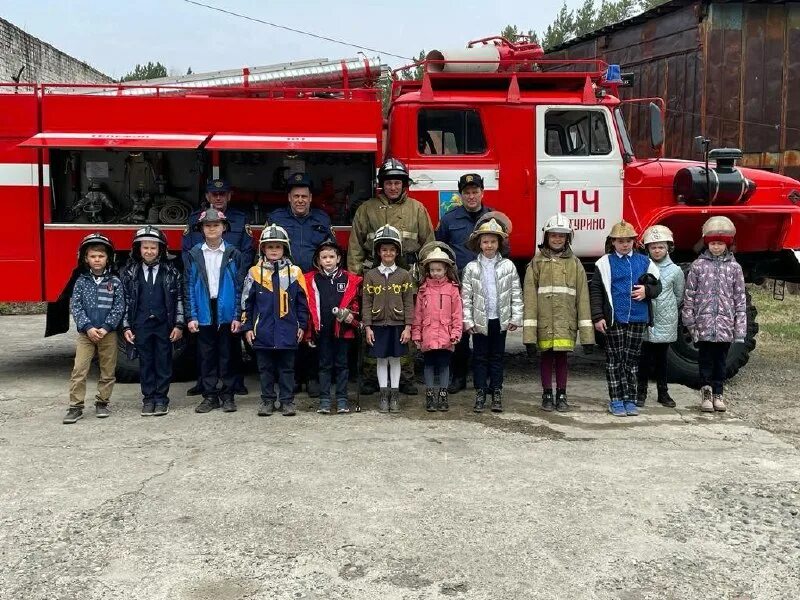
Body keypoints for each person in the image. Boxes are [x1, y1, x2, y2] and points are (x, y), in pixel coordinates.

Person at [348, 157, 434, 395]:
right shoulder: (367, 209)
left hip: (407, 281)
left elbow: (429, 245)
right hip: (374, 281)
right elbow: (355, 247)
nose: (393, 187)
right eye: (388, 183)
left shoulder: (417, 209)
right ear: (381, 184)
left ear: (404, 184)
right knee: (373, 327)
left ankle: (405, 378)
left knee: (404, 327)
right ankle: (369, 377)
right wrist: (355, 281)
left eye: (397, 182)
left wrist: (428, 279)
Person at [183, 178, 253, 398]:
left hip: (229, 289)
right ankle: (205, 385)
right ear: (207, 197)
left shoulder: (241, 220)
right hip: (205, 293)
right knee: (204, 346)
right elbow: (187, 253)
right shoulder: (195, 220)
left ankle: (234, 385)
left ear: (229, 196)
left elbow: (248, 252)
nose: (218, 198)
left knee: (230, 345)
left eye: (222, 194)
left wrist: (240, 279)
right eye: (214, 194)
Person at [266, 172, 334, 397]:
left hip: (315, 283)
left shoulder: (322, 219)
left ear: (311, 198)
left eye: (304, 196)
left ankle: (312, 377)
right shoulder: (276, 218)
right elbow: (265, 249)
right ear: (289, 198)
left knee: (315, 329)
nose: (300, 200)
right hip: (287, 284)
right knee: (289, 329)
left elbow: (330, 250)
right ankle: (292, 377)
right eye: (296, 196)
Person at [523, 214, 594, 413]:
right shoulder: (536, 263)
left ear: (568, 238)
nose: (557, 239)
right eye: (553, 235)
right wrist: (529, 335)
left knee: (562, 359)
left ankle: (562, 394)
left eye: (561, 236)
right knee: (546, 357)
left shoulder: (575, 264)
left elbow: (583, 299)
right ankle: (547, 394)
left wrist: (588, 337)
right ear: (546, 237)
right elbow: (529, 299)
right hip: (545, 324)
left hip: (565, 324)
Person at [590, 220, 661, 418]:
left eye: (628, 240)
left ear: (634, 241)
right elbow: (596, 290)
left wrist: (647, 290)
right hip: (615, 319)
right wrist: (598, 316)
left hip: (638, 318)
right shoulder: (605, 263)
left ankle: (630, 398)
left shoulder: (644, 262)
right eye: (620, 241)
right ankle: (616, 399)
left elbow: (657, 287)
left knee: (631, 360)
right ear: (613, 242)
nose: (624, 244)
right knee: (615, 360)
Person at [435, 173, 494, 394]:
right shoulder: (450, 219)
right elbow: (439, 248)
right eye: (467, 192)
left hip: (485, 284)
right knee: (458, 332)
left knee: (483, 330)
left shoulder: (491, 218)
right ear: (461, 195)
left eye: (475, 191)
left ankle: (485, 377)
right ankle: (458, 376)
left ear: (482, 192)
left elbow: (504, 251)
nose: (471, 196)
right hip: (458, 283)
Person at [242, 225, 309, 417]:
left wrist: (302, 325)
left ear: (285, 249)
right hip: (262, 330)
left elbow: (303, 303)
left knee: (287, 369)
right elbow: (247, 302)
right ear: (262, 248)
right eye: (269, 246)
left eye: (278, 247)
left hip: (288, 330)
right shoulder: (254, 272)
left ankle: (287, 401)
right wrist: (248, 327)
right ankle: (267, 401)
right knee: (265, 369)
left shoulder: (295, 272)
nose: (273, 250)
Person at [682, 216, 746, 413]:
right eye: (713, 243)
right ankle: (706, 393)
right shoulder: (698, 266)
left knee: (721, 361)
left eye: (720, 244)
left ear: (726, 245)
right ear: (707, 244)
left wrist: (740, 327)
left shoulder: (734, 268)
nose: (716, 247)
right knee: (705, 360)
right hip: (704, 323)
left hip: (725, 326)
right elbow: (689, 295)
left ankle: (719, 393)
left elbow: (740, 298)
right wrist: (690, 322)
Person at [461, 213, 523, 414]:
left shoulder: (508, 266)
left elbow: (516, 292)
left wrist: (515, 317)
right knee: (479, 357)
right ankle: (480, 392)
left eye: (493, 241)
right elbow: (466, 297)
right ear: (479, 243)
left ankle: (496, 391)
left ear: (499, 243)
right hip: (480, 321)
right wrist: (468, 320)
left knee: (497, 356)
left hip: (499, 319)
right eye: (485, 241)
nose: (489, 245)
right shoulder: (471, 268)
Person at [121, 226, 185, 417]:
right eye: (145, 248)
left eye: (153, 248)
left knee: (164, 362)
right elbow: (126, 301)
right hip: (141, 324)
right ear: (138, 249)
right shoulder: (130, 273)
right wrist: (125, 326)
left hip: (163, 324)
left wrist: (179, 324)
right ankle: (148, 398)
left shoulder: (172, 272)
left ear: (161, 249)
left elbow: (179, 299)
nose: (149, 251)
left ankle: (162, 399)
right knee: (146, 362)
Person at [63, 233, 125, 424]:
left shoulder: (114, 282)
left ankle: (102, 402)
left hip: (108, 333)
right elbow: (77, 307)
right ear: (85, 258)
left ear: (109, 258)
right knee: (79, 369)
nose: (97, 260)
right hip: (86, 334)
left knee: (108, 370)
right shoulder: (81, 281)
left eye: (101, 256)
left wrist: (106, 328)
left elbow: (119, 306)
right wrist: (88, 327)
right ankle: (75, 406)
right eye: (93, 256)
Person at [304, 238, 362, 414]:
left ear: (338, 259)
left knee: (342, 365)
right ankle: (324, 400)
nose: (328, 260)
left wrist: (351, 315)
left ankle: (343, 399)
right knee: (324, 365)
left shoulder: (349, 279)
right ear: (318, 260)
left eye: (331, 256)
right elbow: (308, 309)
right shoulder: (311, 280)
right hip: (322, 331)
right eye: (324, 257)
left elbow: (357, 305)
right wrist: (309, 333)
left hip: (342, 330)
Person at [361, 225, 415, 413]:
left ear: (397, 251)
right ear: (378, 251)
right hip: (377, 325)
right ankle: (383, 395)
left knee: (396, 360)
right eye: (384, 249)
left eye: (392, 250)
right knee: (381, 360)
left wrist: (408, 326)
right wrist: (368, 326)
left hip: (397, 324)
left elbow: (409, 302)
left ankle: (395, 394)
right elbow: (366, 302)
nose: (388, 253)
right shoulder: (370, 275)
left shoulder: (404, 275)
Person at [637, 225, 685, 408]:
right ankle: (640, 391)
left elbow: (679, 296)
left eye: (661, 247)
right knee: (644, 358)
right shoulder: (642, 266)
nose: (657, 250)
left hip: (665, 320)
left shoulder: (676, 271)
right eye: (653, 247)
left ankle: (663, 393)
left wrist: (666, 308)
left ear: (668, 248)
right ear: (647, 248)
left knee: (662, 359)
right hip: (646, 319)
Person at [412, 246, 462, 412]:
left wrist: (455, 334)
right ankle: (430, 394)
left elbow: (457, 314)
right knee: (429, 366)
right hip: (427, 335)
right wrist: (416, 335)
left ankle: (442, 393)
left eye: (439, 270)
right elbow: (417, 314)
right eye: (432, 270)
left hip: (446, 336)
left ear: (446, 269)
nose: (436, 273)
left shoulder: (452, 289)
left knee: (444, 366)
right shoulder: (423, 290)